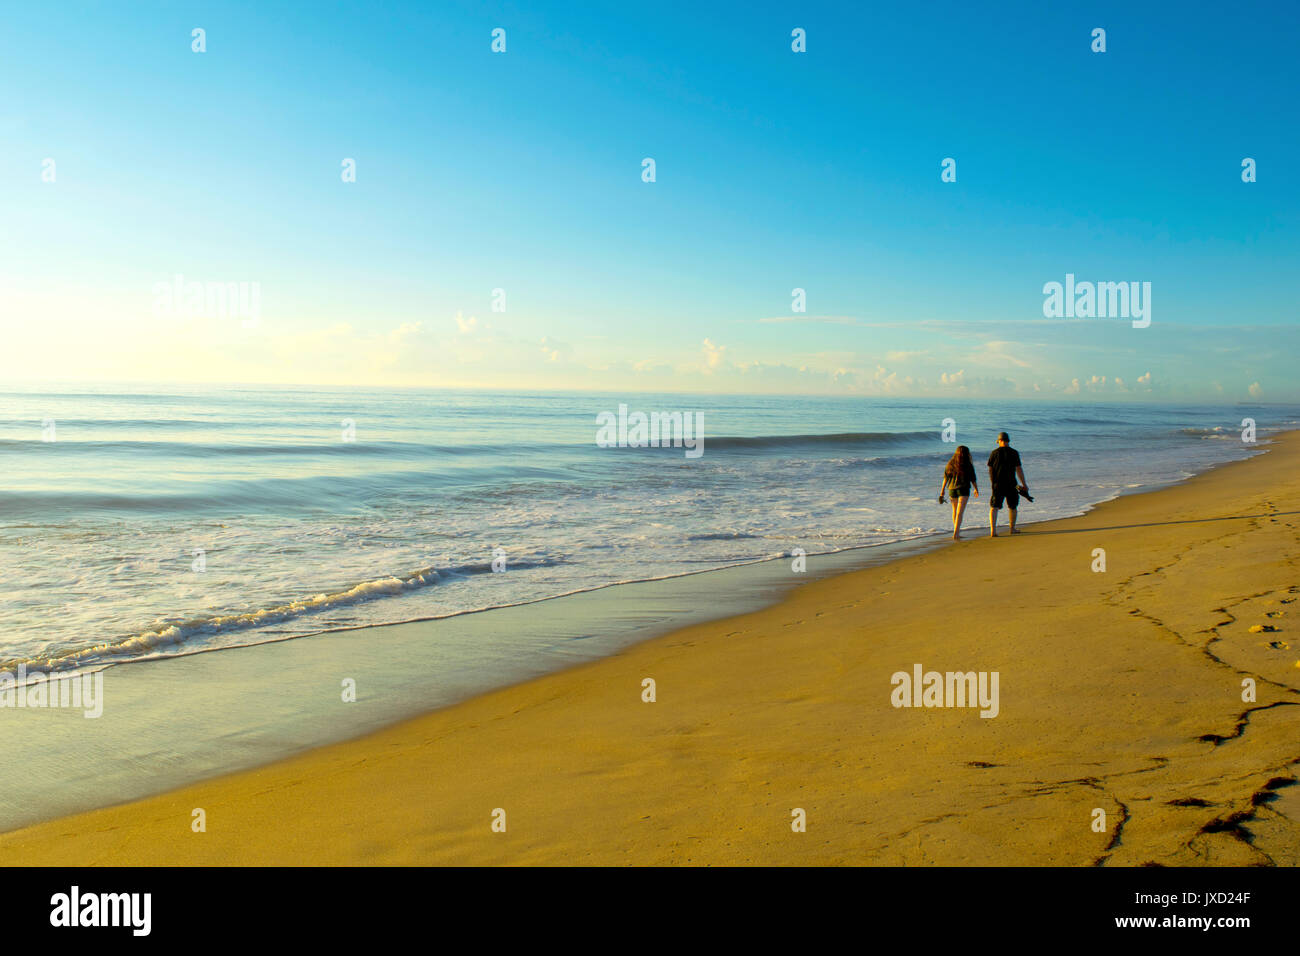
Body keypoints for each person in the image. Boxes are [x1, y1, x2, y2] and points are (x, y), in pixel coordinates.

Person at [987, 432, 1028, 537]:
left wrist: (993, 482)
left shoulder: (994, 453)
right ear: (1008, 441)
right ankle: (1012, 528)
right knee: (1013, 507)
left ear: (1000, 441)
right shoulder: (1014, 452)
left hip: (997, 484)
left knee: (994, 507)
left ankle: (993, 531)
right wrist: (1024, 484)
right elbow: (1018, 469)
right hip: (1011, 484)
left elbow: (990, 469)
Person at [938, 445, 979, 540]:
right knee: (960, 513)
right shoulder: (968, 464)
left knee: (955, 511)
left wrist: (942, 490)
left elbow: (945, 478)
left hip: (952, 489)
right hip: (963, 489)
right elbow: (973, 479)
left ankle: (956, 532)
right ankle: (956, 533)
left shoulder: (950, 463)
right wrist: (976, 489)